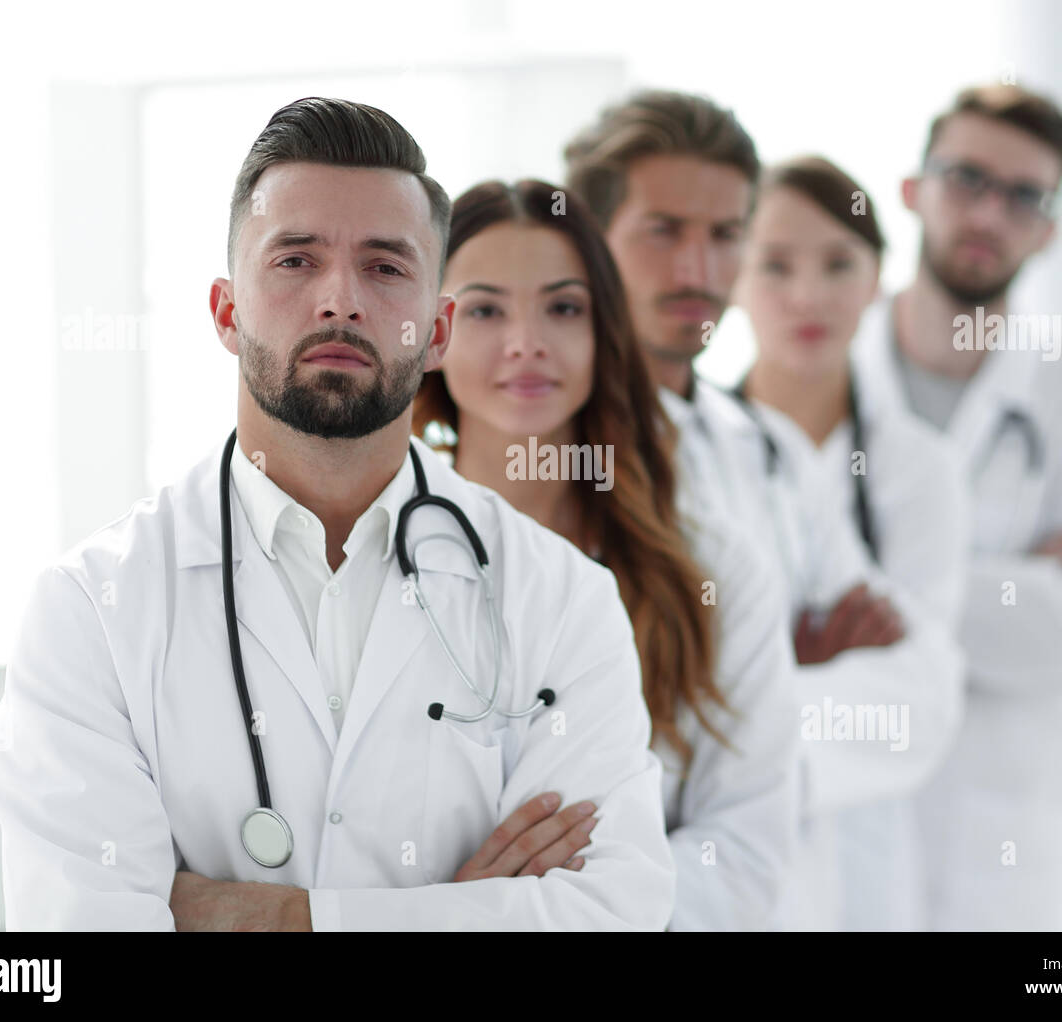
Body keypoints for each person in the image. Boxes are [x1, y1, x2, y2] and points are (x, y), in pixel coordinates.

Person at [0, 97, 675, 931]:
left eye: (386, 267)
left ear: (439, 332)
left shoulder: (562, 596)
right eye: (295, 261)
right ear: (226, 312)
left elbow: (614, 909)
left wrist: (271, 917)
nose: (340, 299)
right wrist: (461, 913)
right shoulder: (91, 610)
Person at [564, 90, 965, 929]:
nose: (698, 270)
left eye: (724, 234)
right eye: (663, 230)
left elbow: (921, 697)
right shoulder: (547, 462)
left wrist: (740, 714)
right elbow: (595, 754)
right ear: (590, 243)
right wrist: (791, 669)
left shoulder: (765, 449)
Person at [412, 178, 802, 929]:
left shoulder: (712, 572)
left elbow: (747, 850)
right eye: (486, 309)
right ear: (433, 334)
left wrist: (547, 910)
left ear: (603, 335)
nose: (526, 341)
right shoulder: (377, 558)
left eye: (563, 307)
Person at [851, 83, 1062, 929]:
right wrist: (1012, 581)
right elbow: (775, 603)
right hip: (843, 820)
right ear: (914, 189)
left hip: (997, 849)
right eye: (966, 178)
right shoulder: (822, 373)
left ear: (1049, 229)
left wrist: (875, 583)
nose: (989, 212)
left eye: (1023, 196)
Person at [733, 156, 970, 929]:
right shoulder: (691, 450)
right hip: (729, 857)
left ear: (876, 281)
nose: (808, 295)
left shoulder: (919, 468)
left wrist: (764, 670)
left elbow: (917, 692)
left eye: (839, 264)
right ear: (733, 277)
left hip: (869, 836)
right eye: (775, 264)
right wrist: (817, 659)